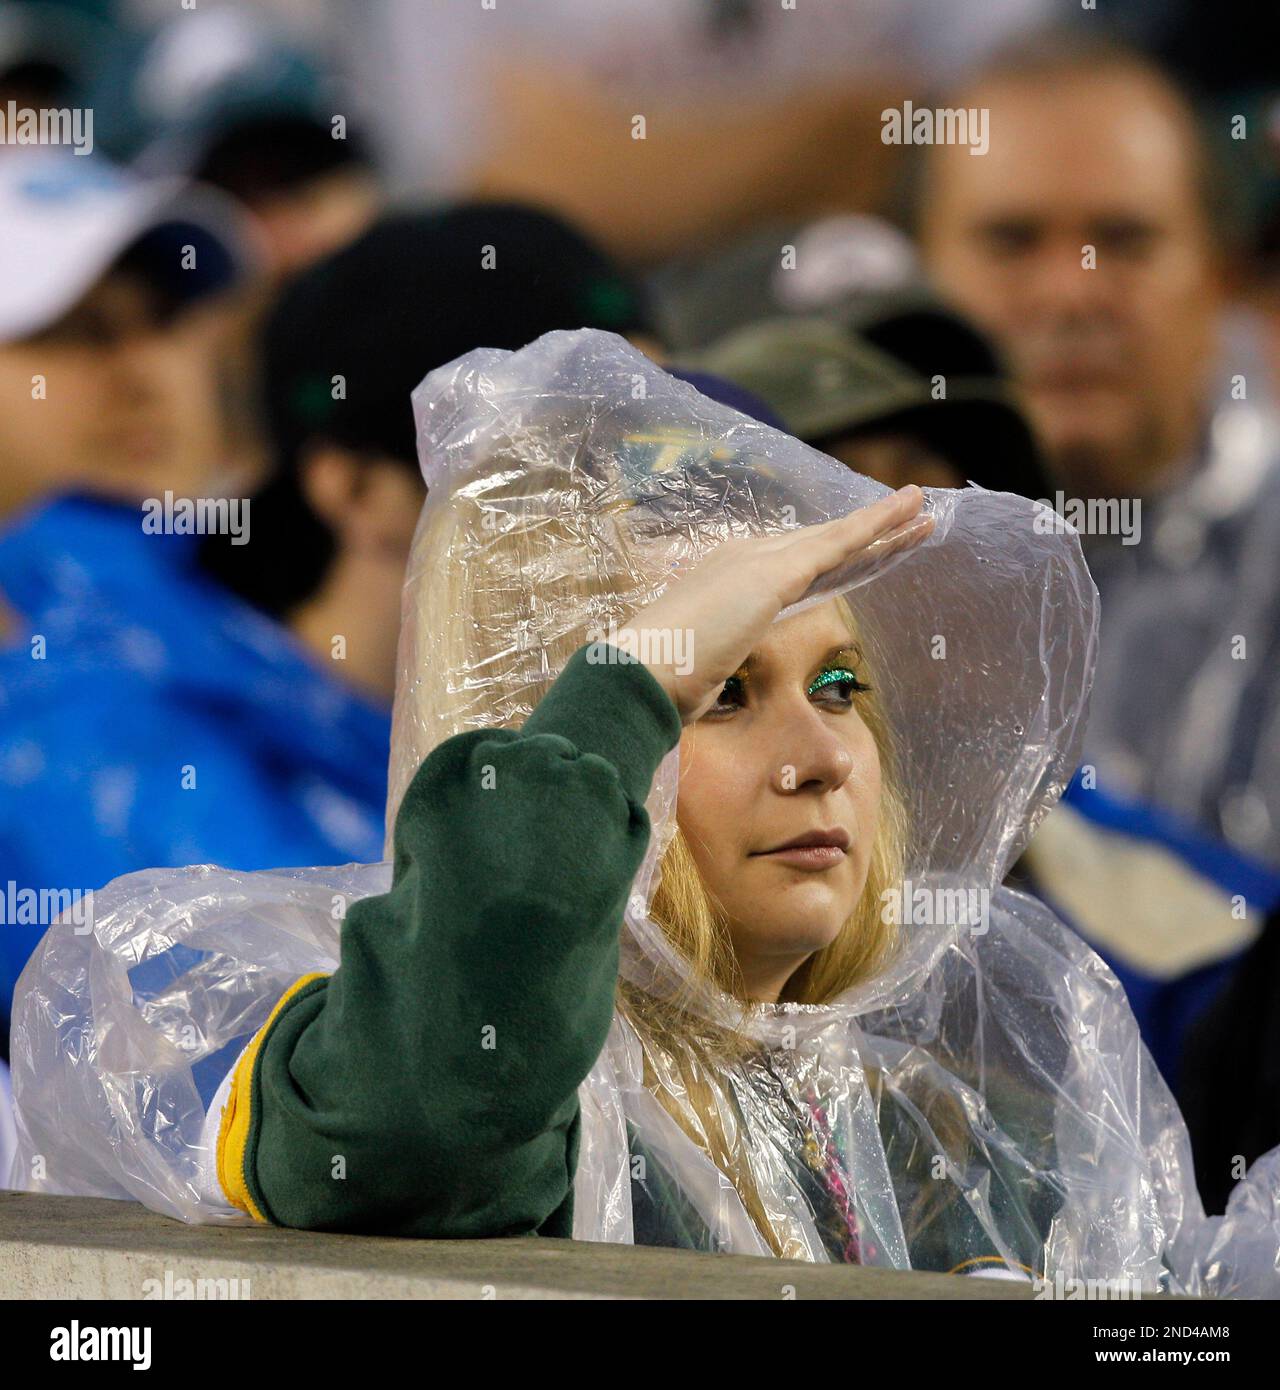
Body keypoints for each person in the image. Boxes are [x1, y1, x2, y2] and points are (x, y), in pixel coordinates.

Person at [10, 331, 1280, 1294]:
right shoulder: (409, 1047)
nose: (819, 757)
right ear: (531, 727)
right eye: (719, 692)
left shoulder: (948, 1121)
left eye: (841, 687)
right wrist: (628, 681)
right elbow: (426, 1119)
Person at [0, 206, 656, 1035]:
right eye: (584, 459)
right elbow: (334, 1093)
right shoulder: (94, 732)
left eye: (675, 448)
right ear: (357, 490)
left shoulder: (595, 711)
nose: (648, 512)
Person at [918, 33, 1280, 866]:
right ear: (921, 274)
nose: (1072, 291)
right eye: (1011, 241)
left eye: (1124, 240)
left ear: (1219, 280)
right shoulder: (822, 572)